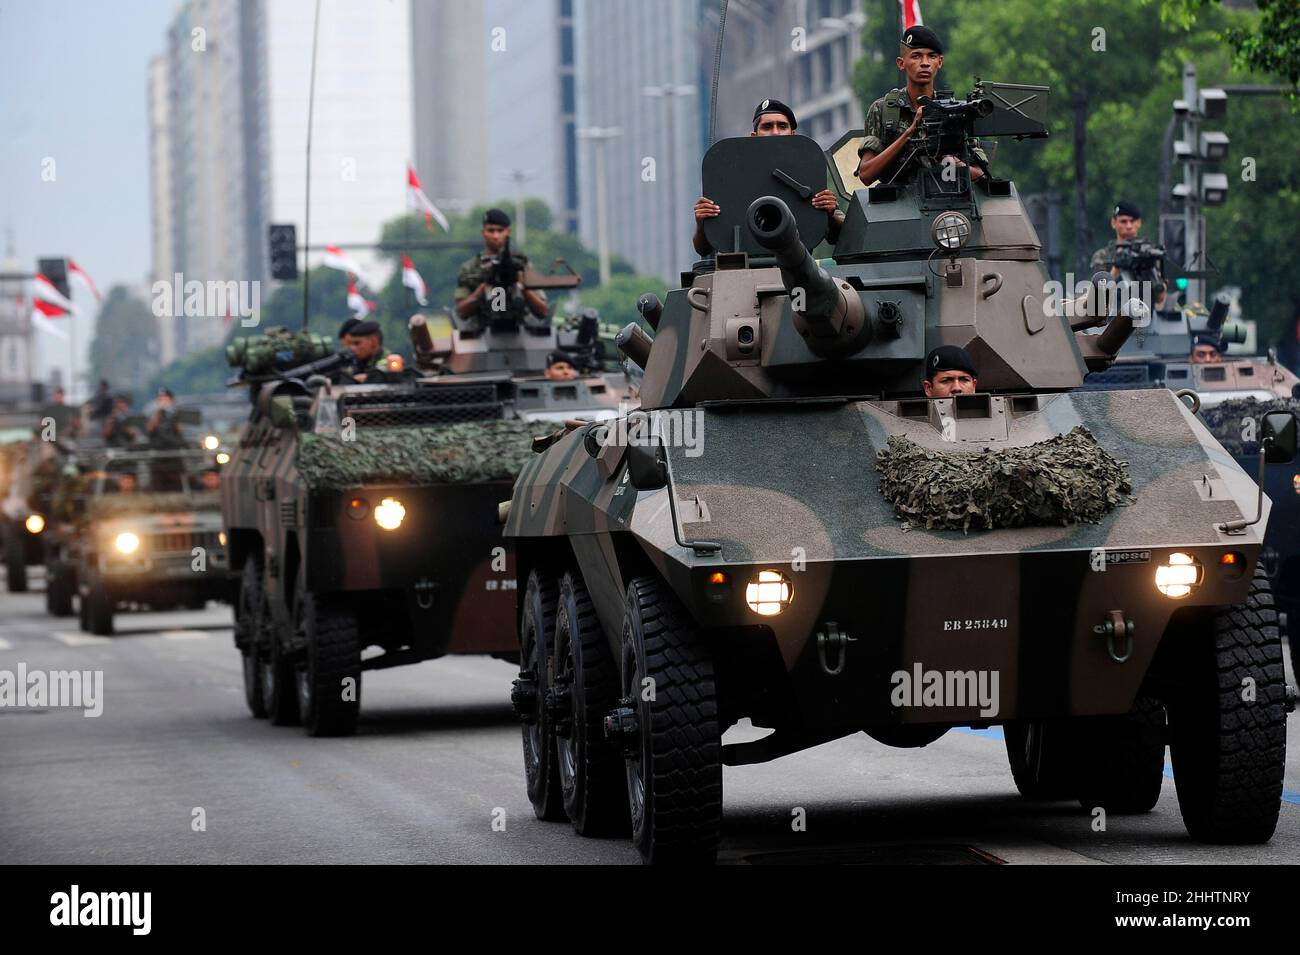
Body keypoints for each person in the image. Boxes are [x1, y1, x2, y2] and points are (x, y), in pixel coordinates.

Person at [692, 99, 844, 256]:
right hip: (740, 271)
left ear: (793, 135)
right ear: (754, 135)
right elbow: (703, 248)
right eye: (767, 126)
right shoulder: (732, 176)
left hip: (796, 270)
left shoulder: (806, 173)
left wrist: (830, 214)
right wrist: (701, 223)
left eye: (782, 126)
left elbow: (840, 235)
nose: (776, 132)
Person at [856, 26, 989, 187]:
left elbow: (982, 177)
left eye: (931, 56)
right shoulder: (883, 110)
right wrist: (909, 133)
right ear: (901, 63)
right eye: (916, 56)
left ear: (940, 62)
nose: (925, 63)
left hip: (949, 204)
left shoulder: (956, 112)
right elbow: (866, 175)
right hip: (899, 205)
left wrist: (949, 159)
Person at [453, 209, 549, 329]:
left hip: (521, 330)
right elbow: (461, 311)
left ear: (508, 232)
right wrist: (483, 288)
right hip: (483, 332)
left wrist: (522, 287)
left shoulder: (522, 266)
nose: (495, 236)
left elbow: (543, 311)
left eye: (500, 230)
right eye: (491, 230)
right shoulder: (470, 268)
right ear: (483, 232)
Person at [1090, 200, 1166, 307]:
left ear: (1139, 222)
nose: (1129, 226)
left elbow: (1160, 298)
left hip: (1145, 317)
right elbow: (1099, 295)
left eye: (1132, 221)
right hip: (1114, 317)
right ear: (1114, 223)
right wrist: (1117, 267)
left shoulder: (1149, 254)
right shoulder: (1103, 256)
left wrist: (1150, 268)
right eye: (1123, 221)